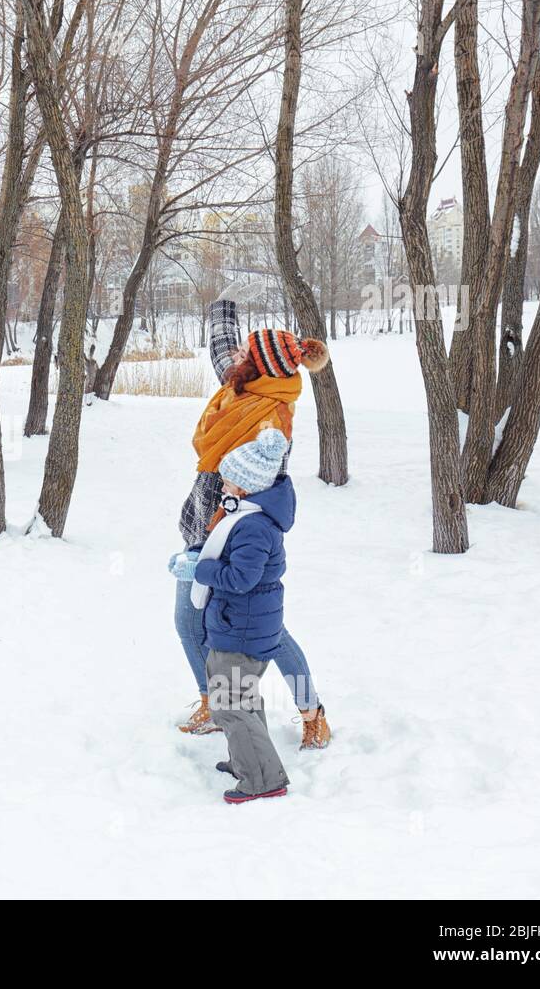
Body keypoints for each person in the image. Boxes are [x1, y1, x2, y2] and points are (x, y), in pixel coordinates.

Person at [171, 295, 332, 749]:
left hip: (241, 542)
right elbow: (223, 349)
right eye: (239, 353)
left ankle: (312, 711)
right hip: (201, 531)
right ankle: (217, 703)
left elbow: (257, 486)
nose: (235, 358)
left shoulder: (271, 423)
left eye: (244, 355)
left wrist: (231, 543)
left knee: (268, 636)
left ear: (260, 369)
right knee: (188, 623)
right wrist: (222, 306)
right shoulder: (241, 387)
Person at [175, 428, 295, 803]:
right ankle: (247, 758)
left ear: (244, 487)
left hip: (240, 630)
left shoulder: (254, 527)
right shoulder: (244, 517)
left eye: (227, 482)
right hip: (238, 626)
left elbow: (241, 578)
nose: (222, 487)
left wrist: (201, 572)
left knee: (230, 704)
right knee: (242, 698)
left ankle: (262, 779)